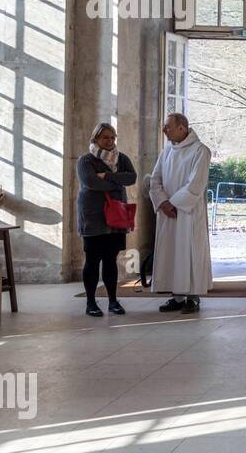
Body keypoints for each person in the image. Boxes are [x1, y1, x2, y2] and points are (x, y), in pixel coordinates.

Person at [147, 112, 212, 313]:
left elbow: (195, 184)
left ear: (182, 127)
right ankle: (176, 296)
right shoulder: (166, 151)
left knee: (189, 251)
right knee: (170, 253)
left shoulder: (200, 151)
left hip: (187, 212)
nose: (164, 130)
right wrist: (163, 202)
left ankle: (193, 297)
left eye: (168, 126)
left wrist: (173, 204)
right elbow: (154, 180)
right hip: (168, 212)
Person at [76, 122, 137, 316]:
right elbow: (91, 182)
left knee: (111, 260)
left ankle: (113, 301)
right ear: (96, 139)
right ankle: (91, 303)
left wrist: (107, 176)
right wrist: (115, 181)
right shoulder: (86, 160)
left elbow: (131, 178)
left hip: (116, 216)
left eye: (112, 137)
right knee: (92, 260)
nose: (110, 141)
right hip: (93, 216)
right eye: (105, 137)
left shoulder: (122, 158)